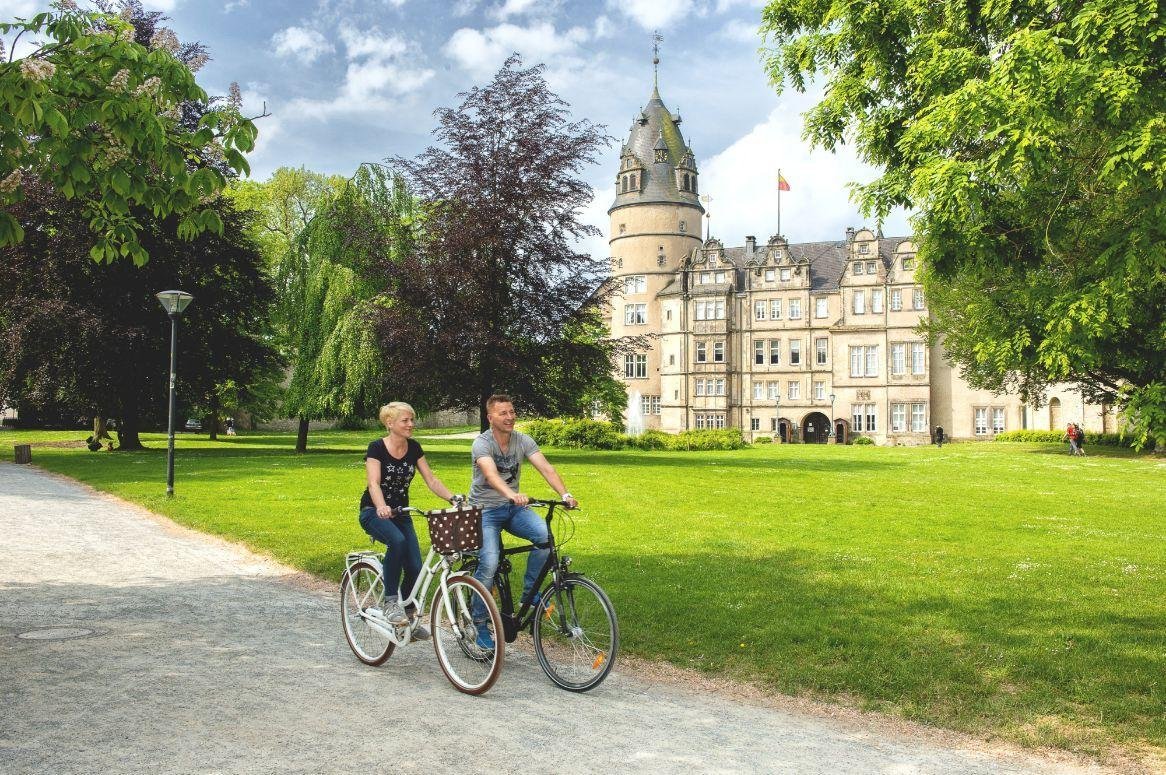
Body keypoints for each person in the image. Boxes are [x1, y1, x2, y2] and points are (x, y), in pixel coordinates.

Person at [469, 394, 578, 650]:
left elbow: (546, 468)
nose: (510, 417)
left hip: (513, 508)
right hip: (485, 511)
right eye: (503, 413)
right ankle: (479, 624)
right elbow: (491, 474)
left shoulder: (523, 440)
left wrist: (565, 494)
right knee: (490, 563)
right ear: (490, 417)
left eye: (512, 411)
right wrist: (511, 494)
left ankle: (530, 596)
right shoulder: (482, 444)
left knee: (545, 536)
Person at [359, 401, 461, 638]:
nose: (411, 424)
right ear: (390, 423)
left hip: (402, 513)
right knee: (397, 542)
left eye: (412, 420)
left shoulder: (414, 447)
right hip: (374, 512)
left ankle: (406, 614)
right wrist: (381, 506)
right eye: (405, 420)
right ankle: (390, 603)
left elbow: (431, 480)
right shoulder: (376, 448)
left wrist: (452, 498)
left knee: (416, 566)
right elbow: (373, 483)